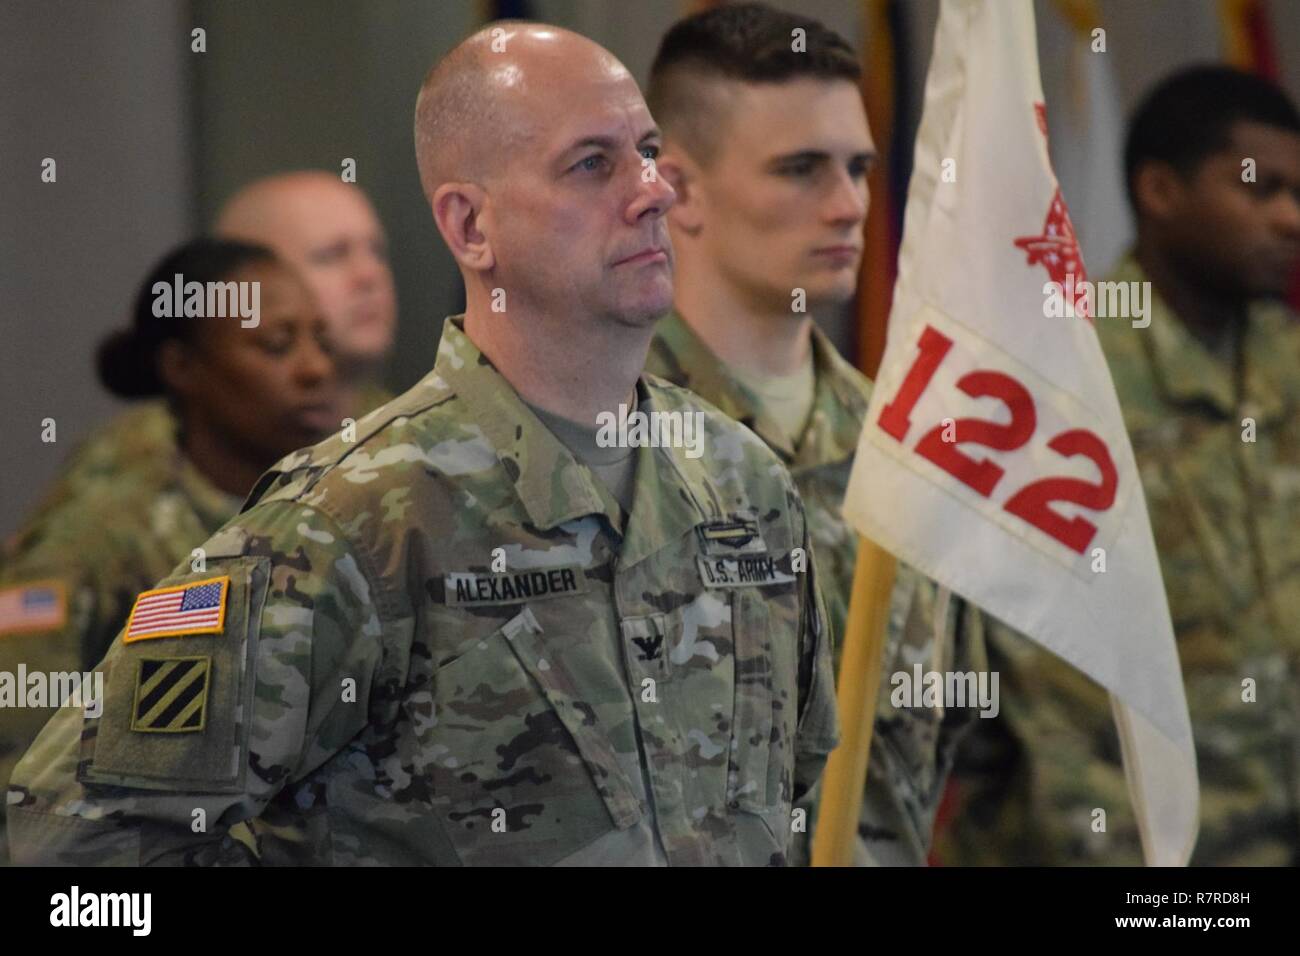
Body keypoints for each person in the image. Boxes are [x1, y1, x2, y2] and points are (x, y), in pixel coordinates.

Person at [6, 21, 838, 867]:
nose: (654, 190)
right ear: (471, 226)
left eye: (650, 150)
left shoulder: (747, 485)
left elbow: (792, 792)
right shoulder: (350, 518)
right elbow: (64, 851)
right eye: (593, 163)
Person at [643, 2, 985, 866]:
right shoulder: (600, 439)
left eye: (860, 168)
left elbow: (951, 752)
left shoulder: (915, 446)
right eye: (800, 170)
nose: (848, 206)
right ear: (677, 189)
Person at [937, 65, 1300, 866]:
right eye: (1259, 189)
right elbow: (1049, 706)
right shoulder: (1059, 388)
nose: (1289, 218)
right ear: (1161, 191)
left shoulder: (1288, 362)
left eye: (1296, 193)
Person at [0, 238, 342, 861]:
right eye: (275, 345)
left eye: (322, 341)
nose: (315, 368)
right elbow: (14, 770)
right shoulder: (94, 543)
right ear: (182, 368)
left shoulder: (340, 510)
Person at [15, 173, 398, 529]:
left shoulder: (398, 432)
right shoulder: (126, 481)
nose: (369, 276)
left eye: (377, 251)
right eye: (330, 255)